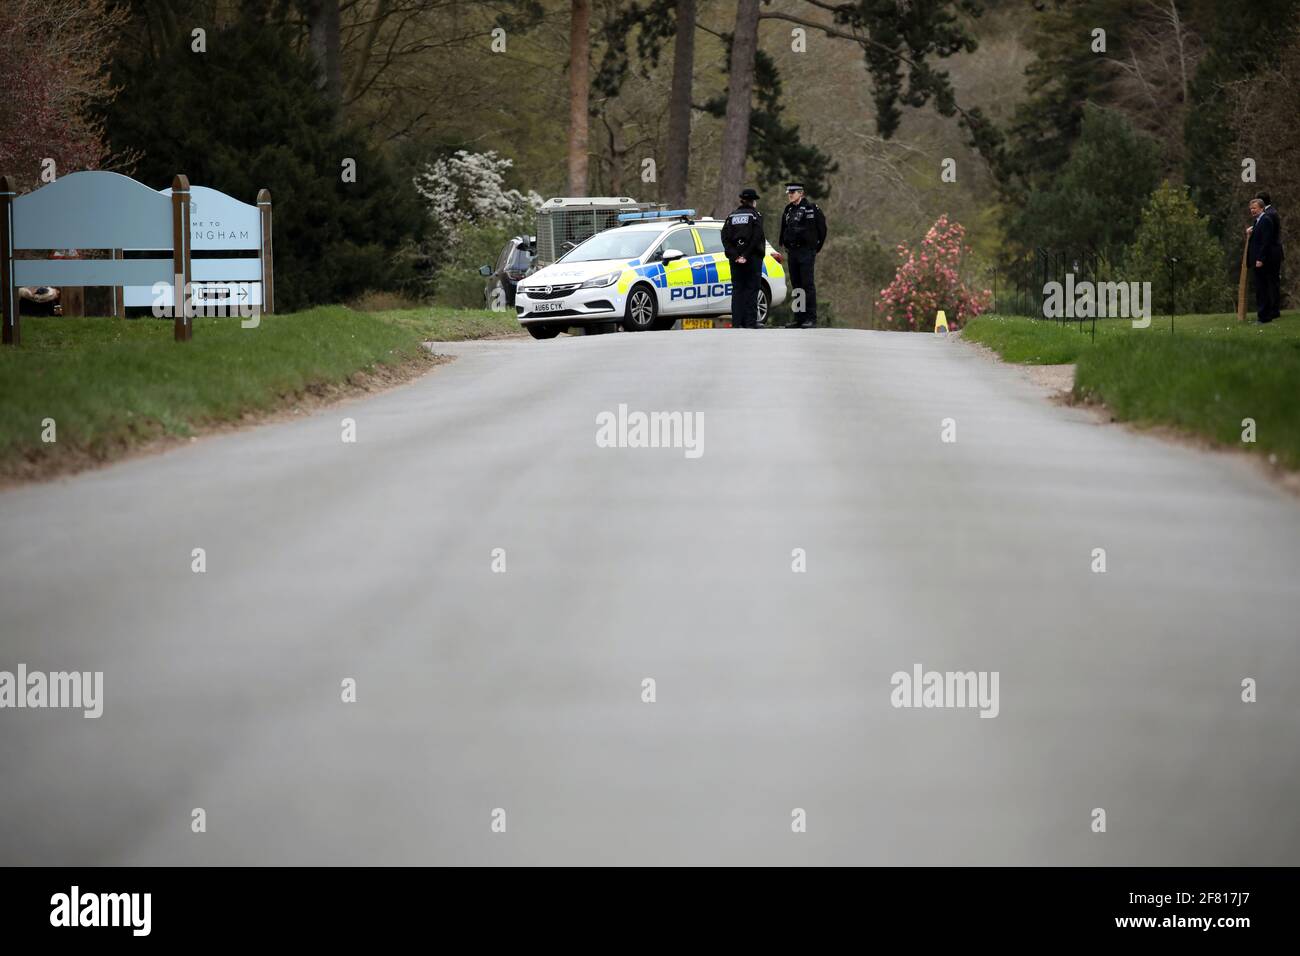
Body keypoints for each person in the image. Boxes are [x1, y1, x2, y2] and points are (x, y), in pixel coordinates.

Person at [778, 182, 827, 328]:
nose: (790, 195)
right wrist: (783, 242)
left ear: (801, 193)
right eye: (789, 192)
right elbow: (784, 227)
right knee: (796, 285)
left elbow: (822, 229)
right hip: (792, 252)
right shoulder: (788, 210)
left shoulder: (812, 208)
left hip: (806, 251)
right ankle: (799, 318)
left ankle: (810, 318)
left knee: (807, 284)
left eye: (793, 192)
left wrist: (816, 248)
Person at [721, 187, 766, 329]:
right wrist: (745, 255)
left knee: (737, 290)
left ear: (742, 200)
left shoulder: (731, 217)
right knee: (752, 289)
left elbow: (725, 239)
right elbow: (756, 237)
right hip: (752, 258)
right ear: (753, 202)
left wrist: (736, 256)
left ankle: (737, 322)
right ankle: (750, 323)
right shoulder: (755, 216)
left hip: (735, 260)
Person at [1247, 195, 1283, 323]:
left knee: (1263, 289)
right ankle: (1263, 315)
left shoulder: (1266, 220)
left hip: (1261, 261)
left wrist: (1260, 259)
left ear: (1262, 208)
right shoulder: (1257, 221)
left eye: (1255, 208)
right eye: (1251, 208)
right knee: (1260, 289)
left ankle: (1264, 317)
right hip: (1256, 259)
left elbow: (1265, 242)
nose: (1252, 210)